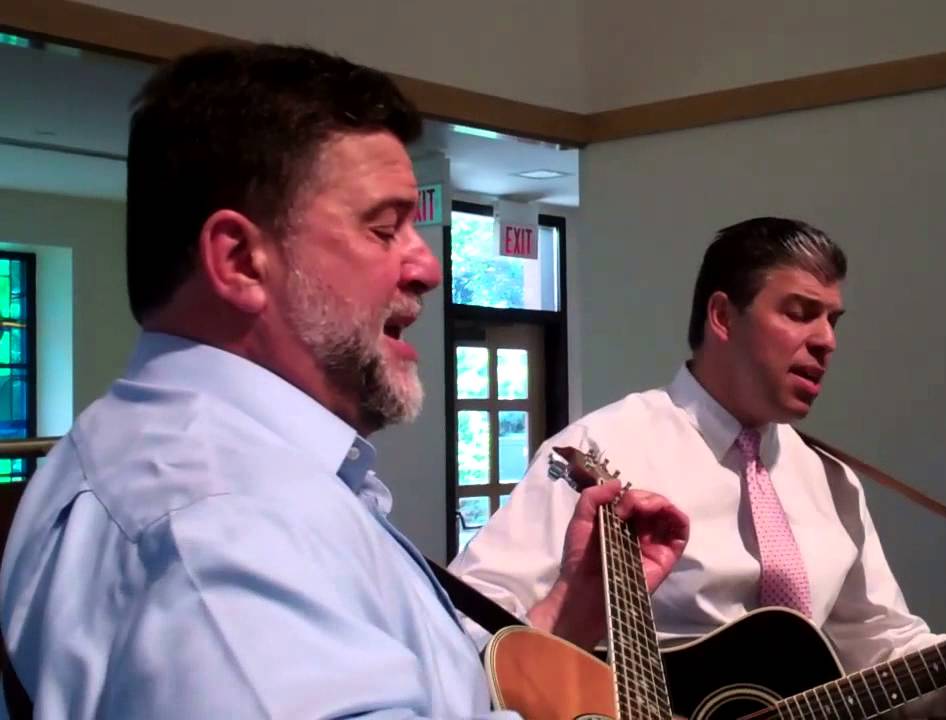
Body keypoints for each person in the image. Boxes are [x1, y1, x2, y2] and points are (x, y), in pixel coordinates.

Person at [0, 43, 690, 719]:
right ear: (241, 261)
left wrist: (564, 617)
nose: (428, 267)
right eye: (384, 229)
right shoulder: (222, 536)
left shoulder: (192, 464)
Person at [451, 217, 946, 717]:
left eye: (833, 320)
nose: (826, 341)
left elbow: (886, 659)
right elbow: (472, 625)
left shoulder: (830, 484)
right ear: (723, 315)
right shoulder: (600, 455)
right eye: (800, 313)